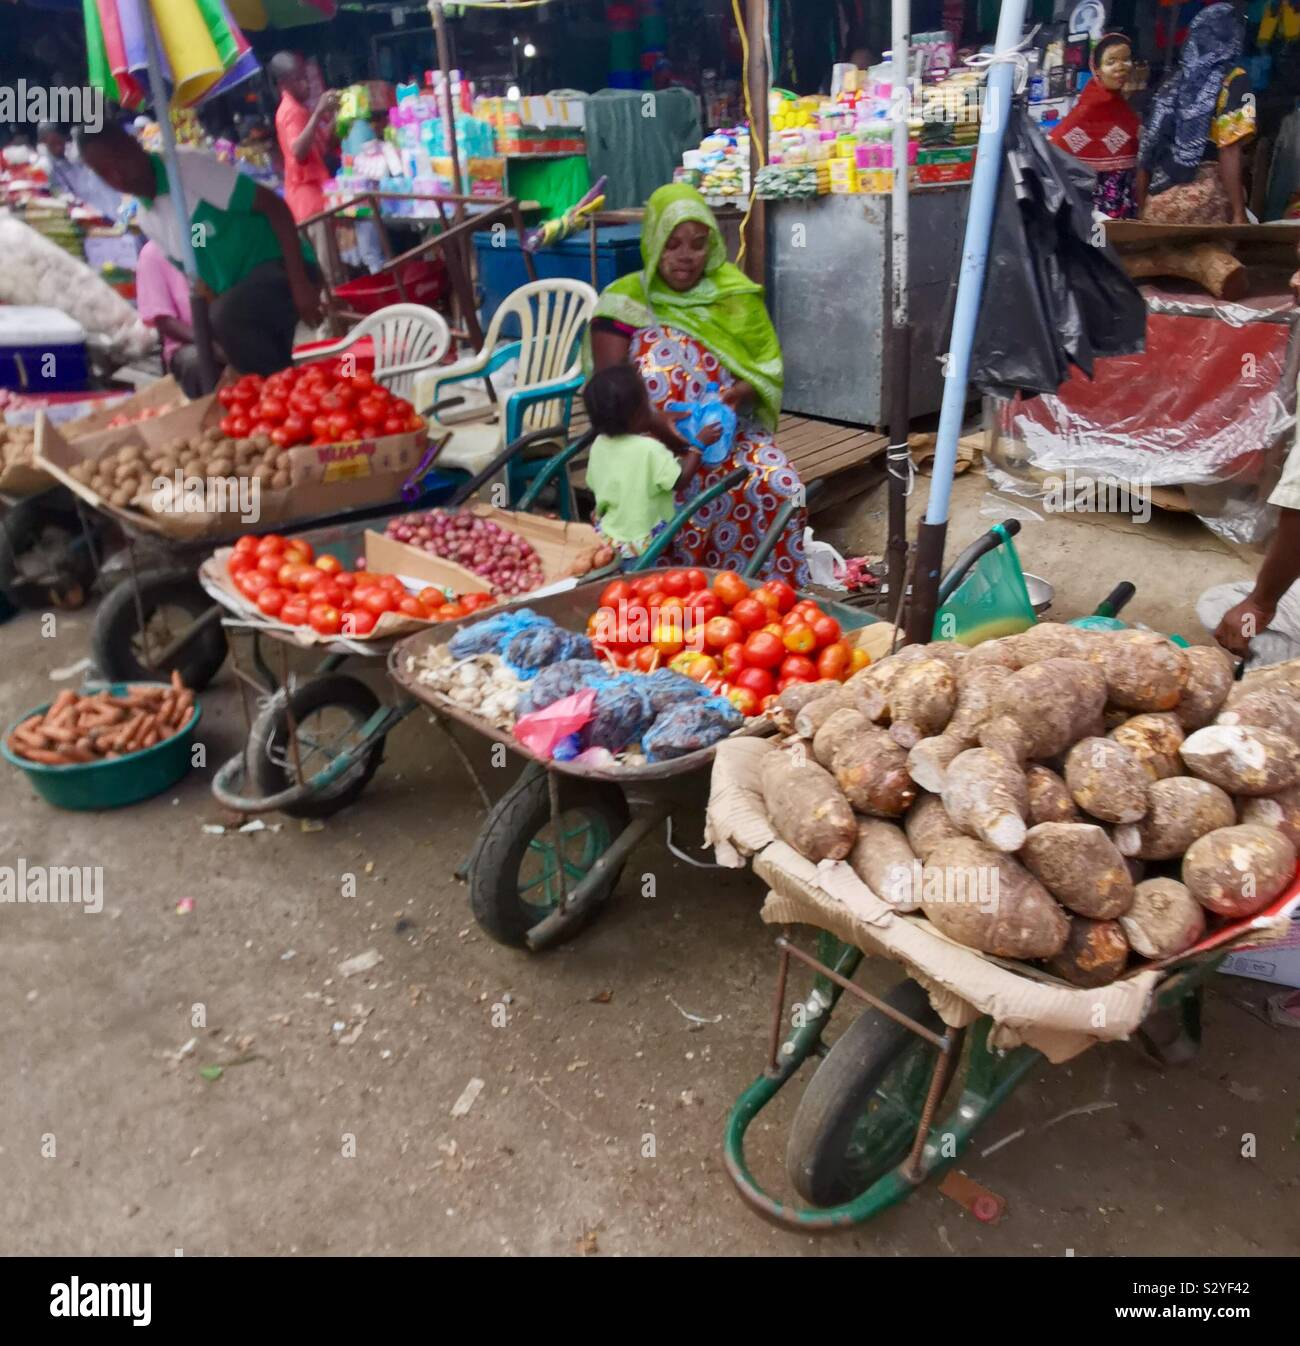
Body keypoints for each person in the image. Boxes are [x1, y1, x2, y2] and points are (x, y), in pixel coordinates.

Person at [584, 183, 809, 584]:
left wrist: (735, 395)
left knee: (782, 486)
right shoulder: (624, 300)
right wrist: (660, 426)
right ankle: (682, 598)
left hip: (727, 440)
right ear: (653, 242)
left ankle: (764, 599)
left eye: (698, 244)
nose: (686, 257)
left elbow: (762, 371)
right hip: (648, 443)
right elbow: (610, 390)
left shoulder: (733, 295)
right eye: (672, 245)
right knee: (663, 500)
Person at [76, 121, 321, 378]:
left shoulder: (188, 168)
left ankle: (277, 392)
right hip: (245, 301)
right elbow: (201, 272)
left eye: (117, 160)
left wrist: (300, 284)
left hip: (286, 268)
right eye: (104, 172)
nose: (117, 176)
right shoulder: (150, 220)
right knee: (214, 348)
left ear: (133, 145)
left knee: (227, 318)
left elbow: (275, 207)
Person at [1137, 3, 1255, 224]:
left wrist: (1143, 213)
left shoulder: (1170, 85)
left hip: (1158, 206)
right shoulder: (1234, 80)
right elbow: (1229, 148)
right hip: (1203, 203)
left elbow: (1145, 153)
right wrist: (1239, 214)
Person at [582, 364, 700, 558]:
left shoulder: (599, 444)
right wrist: (698, 446)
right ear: (639, 413)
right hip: (642, 541)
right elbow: (681, 481)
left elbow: (594, 483)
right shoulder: (649, 450)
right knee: (641, 580)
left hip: (608, 535)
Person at [1049, 34, 1141, 219]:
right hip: (1098, 192)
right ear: (1097, 69)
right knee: (1101, 235)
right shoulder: (1091, 105)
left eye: (1126, 60)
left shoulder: (1120, 104)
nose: (1121, 67)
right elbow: (1058, 141)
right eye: (1111, 61)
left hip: (1120, 190)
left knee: (1112, 239)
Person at [269, 51, 339, 277]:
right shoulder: (291, 111)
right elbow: (298, 151)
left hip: (314, 197)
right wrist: (319, 112)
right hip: (309, 203)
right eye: (299, 79)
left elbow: (319, 146)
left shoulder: (300, 109)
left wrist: (336, 117)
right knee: (328, 274)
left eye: (305, 77)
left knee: (329, 269)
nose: (306, 84)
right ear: (284, 84)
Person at [134, 239, 221, 397]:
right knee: (199, 364)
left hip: (227, 331)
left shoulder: (206, 241)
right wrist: (207, 343)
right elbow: (164, 321)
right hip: (186, 343)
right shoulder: (153, 253)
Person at [35, 121, 123, 220]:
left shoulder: (72, 160)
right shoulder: (45, 165)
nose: (59, 146)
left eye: (60, 141)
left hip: (97, 211)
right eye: (53, 142)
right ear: (43, 142)